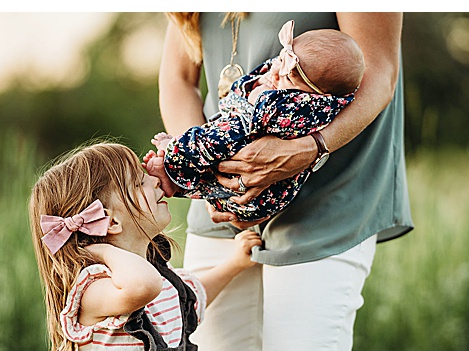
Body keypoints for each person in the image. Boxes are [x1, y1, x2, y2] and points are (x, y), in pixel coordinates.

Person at [159, 13, 410, 351]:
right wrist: (208, 172)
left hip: (325, 197)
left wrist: (312, 147)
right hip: (219, 199)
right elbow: (177, 78)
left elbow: (379, 71)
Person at [30, 142, 261, 351]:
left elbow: (192, 297)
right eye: (139, 182)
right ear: (110, 222)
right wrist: (99, 250)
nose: (155, 180)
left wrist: (234, 264)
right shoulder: (95, 287)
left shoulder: (161, 277)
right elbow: (144, 286)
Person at [144, 20, 364, 224]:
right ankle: (177, 177)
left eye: (287, 76)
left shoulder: (295, 108)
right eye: (280, 59)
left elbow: (245, 124)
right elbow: (178, 79)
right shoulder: (301, 83)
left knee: (230, 135)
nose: (276, 72)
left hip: (256, 193)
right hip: (247, 195)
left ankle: (175, 161)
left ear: (317, 94)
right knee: (219, 160)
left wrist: (177, 149)